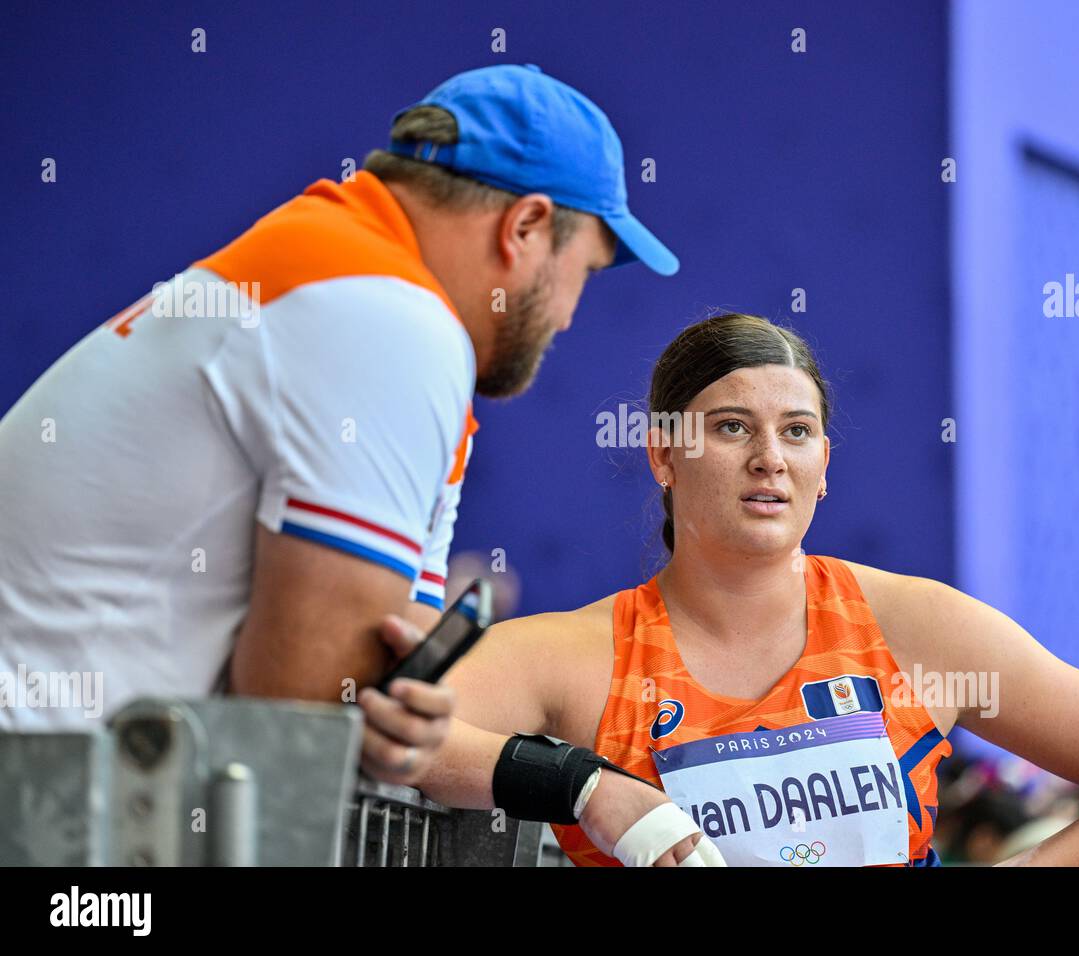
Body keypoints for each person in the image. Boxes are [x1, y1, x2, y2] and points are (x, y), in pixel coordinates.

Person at [0, 64, 678, 793]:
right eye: (585, 272)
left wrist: (396, 716)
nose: (570, 316)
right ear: (525, 228)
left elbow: (369, 681)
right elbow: (293, 730)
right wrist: (365, 712)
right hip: (40, 803)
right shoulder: (384, 317)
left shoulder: (347, 274)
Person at [367, 311, 1079, 866]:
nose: (769, 459)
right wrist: (588, 786)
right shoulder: (580, 656)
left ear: (825, 465)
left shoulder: (917, 627)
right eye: (731, 427)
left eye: (797, 432)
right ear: (664, 455)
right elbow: (382, 736)